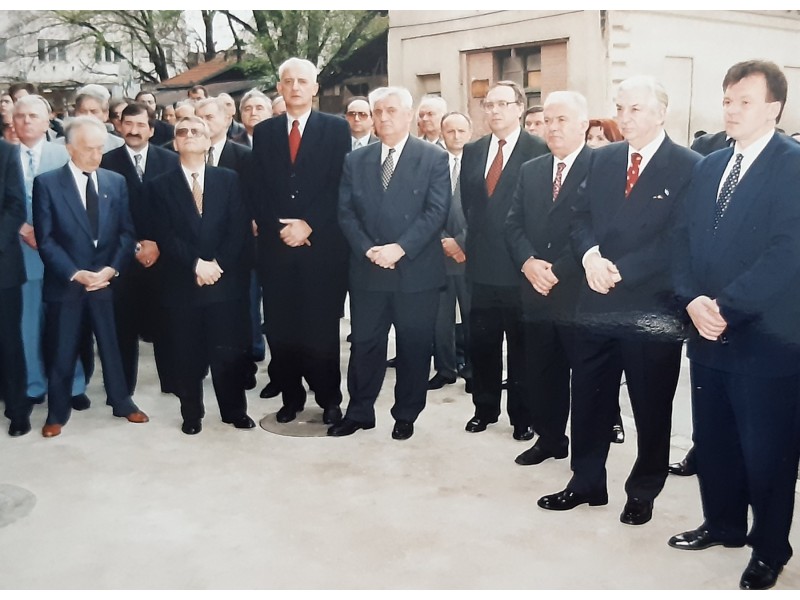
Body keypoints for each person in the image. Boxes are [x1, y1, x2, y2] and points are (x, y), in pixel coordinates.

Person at [537, 76, 700, 526]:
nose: (624, 118)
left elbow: (679, 238)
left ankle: (644, 490)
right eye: (620, 108)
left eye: (635, 109)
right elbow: (580, 217)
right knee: (589, 396)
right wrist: (590, 256)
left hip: (652, 307)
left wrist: (620, 269)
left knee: (651, 405)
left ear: (661, 113)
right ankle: (586, 481)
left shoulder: (688, 165)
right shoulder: (603, 159)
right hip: (596, 298)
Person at [668, 60, 800, 591]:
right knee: (715, 438)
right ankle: (722, 523)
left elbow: (787, 252)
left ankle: (769, 547)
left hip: (766, 337)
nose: (732, 110)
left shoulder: (792, 165)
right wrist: (691, 300)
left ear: (774, 108)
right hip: (706, 331)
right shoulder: (710, 165)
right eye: (727, 100)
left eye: (745, 101)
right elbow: (682, 239)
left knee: (767, 452)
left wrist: (725, 307)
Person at [332, 86, 450, 440]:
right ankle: (359, 411)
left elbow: (436, 211)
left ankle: (406, 414)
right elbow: (346, 212)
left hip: (415, 270)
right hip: (368, 268)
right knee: (365, 343)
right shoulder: (356, 160)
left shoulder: (433, 157)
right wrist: (368, 249)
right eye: (378, 111)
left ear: (409, 115)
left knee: (414, 345)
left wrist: (399, 248)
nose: (383, 118)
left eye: (391, 111)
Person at [33, 116, 149, 437]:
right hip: (68, 282)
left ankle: (122, 402)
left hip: (106, 280)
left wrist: (111, 269)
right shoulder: (47, 184)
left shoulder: (115, 182)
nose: (96, 155)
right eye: (88, 149)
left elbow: (126, 232)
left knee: (113, 346)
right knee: (63, 350)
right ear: (70, 148)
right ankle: (57, 413)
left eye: (100, 148)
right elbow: (46, 240)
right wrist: (75, 273)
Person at [251, 57, 351, 425]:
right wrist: (279, 228)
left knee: (321, 329)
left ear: (315, 88)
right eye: (288, 81)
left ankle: (329, 399)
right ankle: (291, 397)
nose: (295, 87)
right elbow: (259, 188)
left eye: (302, 81)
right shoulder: (265, 132)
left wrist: (309, 225)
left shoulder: (336, 129)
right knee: (281, 329)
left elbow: (339, 185)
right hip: (277, 248)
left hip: (320, 248)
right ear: (279, 87)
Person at [145, 116, 255, 435]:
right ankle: (191, 413)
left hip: (224, 280)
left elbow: (238, 228)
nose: (190, 135)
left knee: (228, 353)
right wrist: (196, 264)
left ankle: (234, 411)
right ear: (175, 142)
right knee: (186, 353)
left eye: (197, 131)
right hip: (183, 282)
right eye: (183, 132)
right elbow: (164, 233)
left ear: (208, 142)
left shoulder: (229, 179)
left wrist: (216, 264)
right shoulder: (159, 185)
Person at [504, 91, 592, 466]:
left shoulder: (600, 166)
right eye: (549, 120)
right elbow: (513, 223)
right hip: (536, 289)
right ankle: (550, 439)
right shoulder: (532, 169)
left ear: (583, 124)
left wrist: (557, 270)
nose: (553, 128)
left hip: (580, 292)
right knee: (542, 371)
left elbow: (598, 229)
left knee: (586, 379)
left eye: (562, 120)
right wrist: (527, 262)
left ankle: (587, 457)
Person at [460, 80, 548, 441]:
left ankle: (523, 417)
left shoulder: (538, 149)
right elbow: (469, 205)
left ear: (519, 108)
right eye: (489, 104)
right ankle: (484, 409)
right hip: (481, 266)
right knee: (483, 344)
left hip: (520, 267)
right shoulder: (473, 150)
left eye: (502, 104)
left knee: (522, 348)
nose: (494, 111)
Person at [13, 95, 89, 410]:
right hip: (20, 255)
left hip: (62, 254)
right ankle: (33, 385)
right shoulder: (4, 156)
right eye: (20, 116)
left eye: (33, 116)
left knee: (65, 324)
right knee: (27, 326)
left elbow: (81, 197)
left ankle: (73, 385)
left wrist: (48, 233)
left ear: (48, 121)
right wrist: (22, 228)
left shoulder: (64, 154)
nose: (26, 121)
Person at [100, 102, 180, 395]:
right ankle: (122, 388)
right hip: (123, 256)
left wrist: (157, 243)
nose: (134, 130)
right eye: (128, 124)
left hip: (163, 255)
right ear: (119, 126)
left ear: (152, 129)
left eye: (140, 125)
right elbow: (105, 214)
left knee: (167, 322)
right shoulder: (105, 162)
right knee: (123, 325)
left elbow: (177, 209)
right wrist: (134, 245)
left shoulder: (170, 160)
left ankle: (172, 381)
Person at [429, 111, 472, 392]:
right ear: (442, 133)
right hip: (439, 253)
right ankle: (444, 369)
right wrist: (443, 240)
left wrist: (462, 242)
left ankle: (473, 370)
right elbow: (426, 206)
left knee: (472, 317)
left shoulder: (480, 163)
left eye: (461, 131)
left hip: (470, 255)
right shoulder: (432, 163)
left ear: (470, 132)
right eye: (450, 131)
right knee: (440, 319)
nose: (456, 136)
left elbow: (485, 210)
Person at [0, 135, 29, 436]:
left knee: (8, 340)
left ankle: (18, 410)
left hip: (3, 265)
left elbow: (16, 205)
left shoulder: (5, 152)